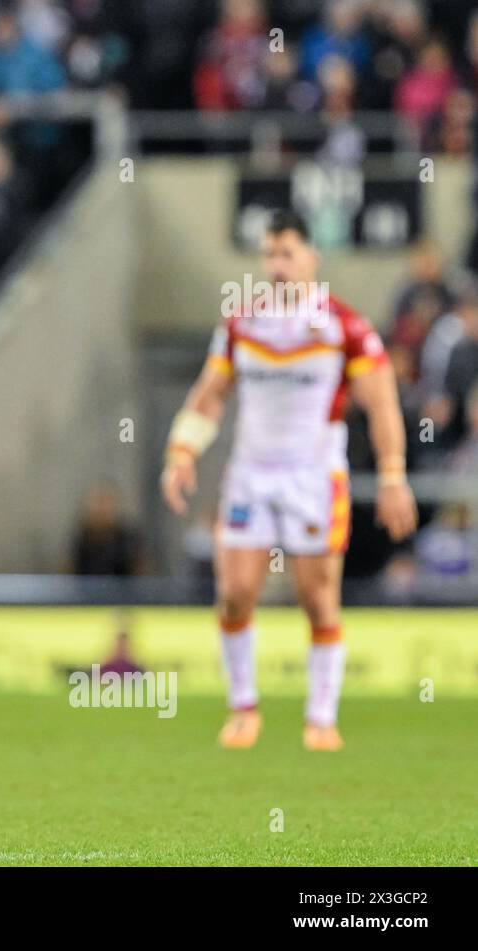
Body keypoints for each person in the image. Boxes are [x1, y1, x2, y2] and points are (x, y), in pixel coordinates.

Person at [161, 210, 417, 752]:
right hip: (251, 474)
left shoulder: (344, 328)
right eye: (269, 255)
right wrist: (183, 451)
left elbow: (382, 404)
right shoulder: (242, 325)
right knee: (235, 594)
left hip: (314, 477)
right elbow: (210, 395)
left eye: (287, 253)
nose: (277, 265)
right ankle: (243, 709)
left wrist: (393, 475)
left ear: (311, 258)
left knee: (317, 597)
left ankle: (321, 718)